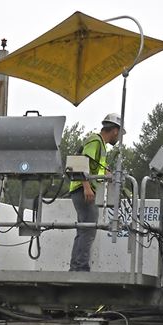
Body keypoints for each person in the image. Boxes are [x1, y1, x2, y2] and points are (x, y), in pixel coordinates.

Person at [69, 113, 122, 272]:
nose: (119, 137)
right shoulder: (95, 140)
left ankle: (76, 267)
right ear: (115, 130)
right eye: (119, 133)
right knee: (89, 228)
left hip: (82, 189)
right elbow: (81, 162)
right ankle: (80, 268)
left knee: (84, 228)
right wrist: (86, 186)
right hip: (83, 189)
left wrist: (105, 174)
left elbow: (93, 166)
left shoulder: (100, 144)